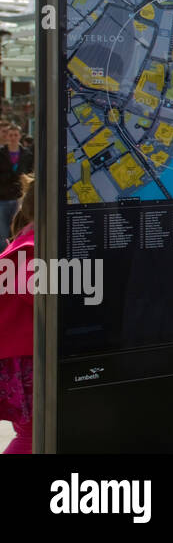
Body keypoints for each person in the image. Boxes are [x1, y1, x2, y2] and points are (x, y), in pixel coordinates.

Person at [0, 175, 34, 453]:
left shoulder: (25, 238)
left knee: (29, 431)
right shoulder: (32, 248)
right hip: (24, 360)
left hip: (17, 357)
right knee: (32, 434)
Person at [0, 125, 32, 234]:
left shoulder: (27, 154)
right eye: (10, 135)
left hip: (20, 198)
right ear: (7, 136)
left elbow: (29, 174)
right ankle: (5, 252)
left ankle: (19, 252)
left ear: (20, 136)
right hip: (3, 198)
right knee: (3, 233)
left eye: (15, 135)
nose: (13, 137)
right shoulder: (1, 153)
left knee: (19, 231)